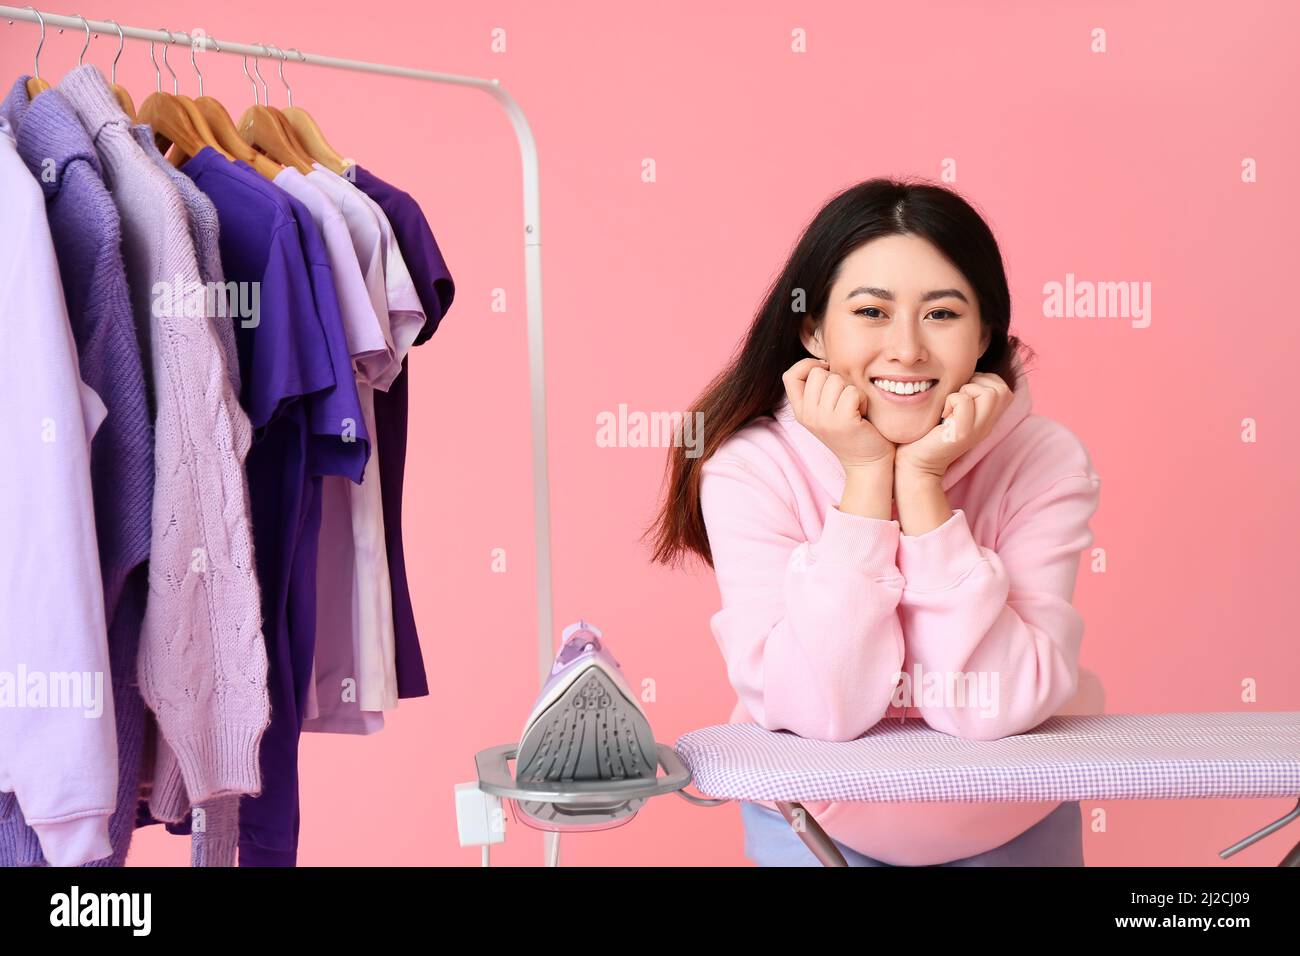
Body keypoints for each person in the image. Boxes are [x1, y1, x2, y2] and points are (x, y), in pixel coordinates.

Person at [644, 177, 1101, 866]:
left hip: (1015, 825)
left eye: (942, 314)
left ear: (984, 334)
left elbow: (997, 705)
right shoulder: (749, 470)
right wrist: (865, 480)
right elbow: (820, 708)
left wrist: (921, 487)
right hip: (814, 827)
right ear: (812, 329)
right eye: (871, 312)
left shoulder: (1045, 459)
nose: (908, 350)